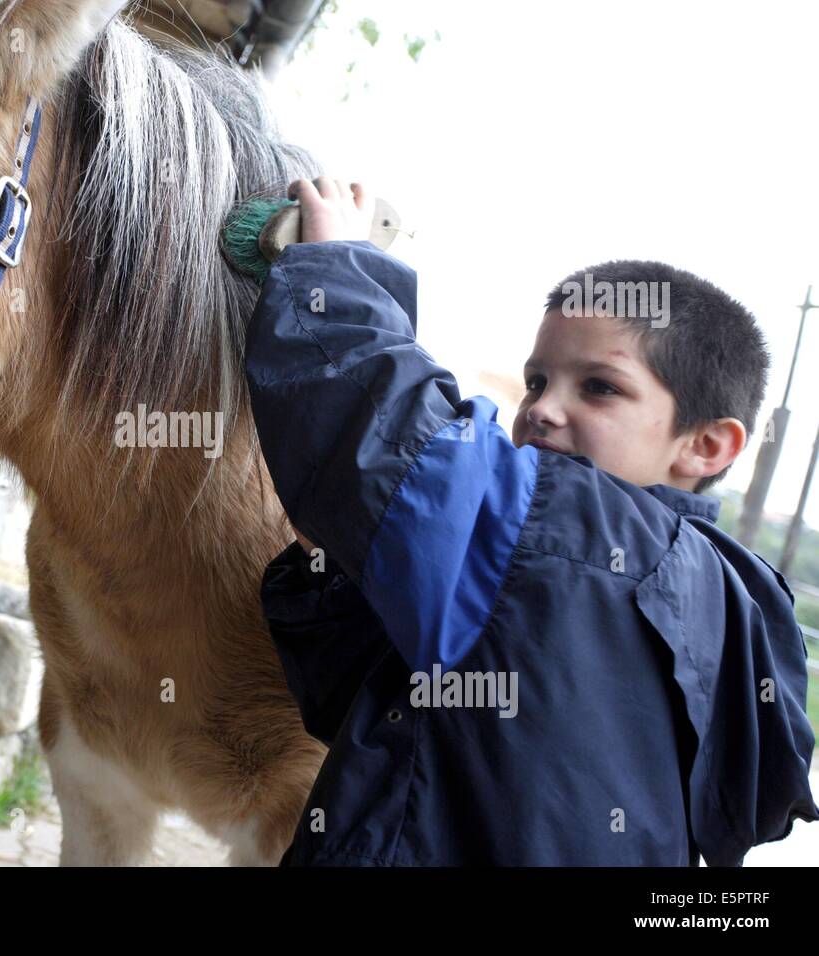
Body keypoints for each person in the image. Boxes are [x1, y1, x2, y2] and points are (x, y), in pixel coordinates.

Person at [245, 176, 818, 865]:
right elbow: (374, 708)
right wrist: (334, 568)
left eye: (600, 387)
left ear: (704, 445)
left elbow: (392, 436)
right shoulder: (727, 602)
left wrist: (334, 273)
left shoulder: (577, 531)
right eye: (539, 380)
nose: (541, 408)